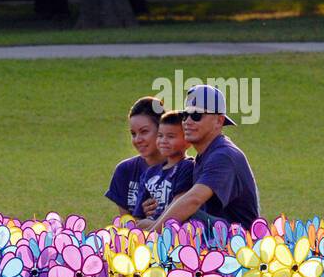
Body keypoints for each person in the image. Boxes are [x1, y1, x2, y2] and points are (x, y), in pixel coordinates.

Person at [145, 84, 259, 231]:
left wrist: (150, 235)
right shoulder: (206, 155)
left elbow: (193, 200)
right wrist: (152, 221)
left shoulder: (223, 155)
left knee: (187, 214)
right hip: (223, 235)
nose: (187, 121)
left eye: (196, 115)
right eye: (185, 115)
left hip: (240, 243)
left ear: (219, 121)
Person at [104, 96, 165, 217]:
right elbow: (126, 224)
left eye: (144, 131)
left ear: (161, 129)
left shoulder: (182, 168)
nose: (137, 140)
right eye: (133, 134)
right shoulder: (125, 170)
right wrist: (140, 213)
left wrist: (164, 209)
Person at [132, 112, 195, 227]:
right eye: (160, 135)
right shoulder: (149, 173)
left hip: (174, 231)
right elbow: (138, 215)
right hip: (150, 232)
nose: (163, 141)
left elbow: (180, 204)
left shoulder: (187, 167)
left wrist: (155, 224)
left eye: (170, 136)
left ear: (187, 141)